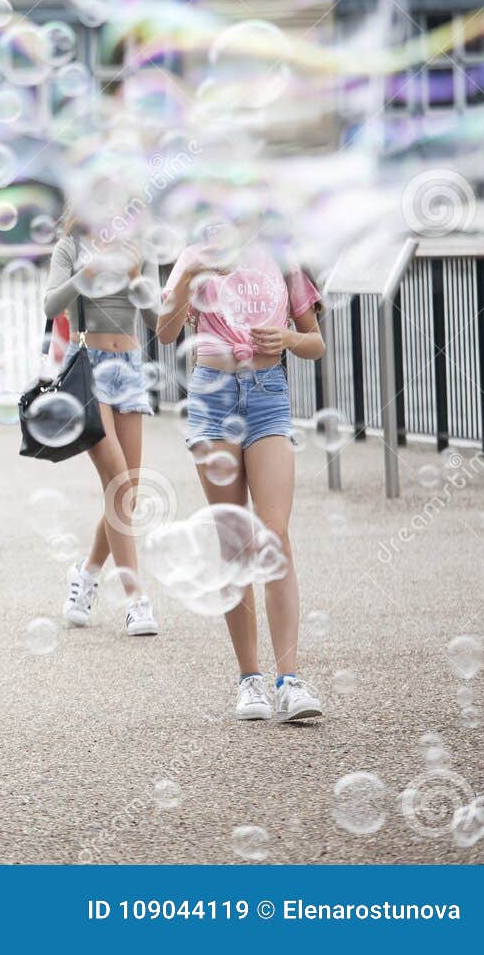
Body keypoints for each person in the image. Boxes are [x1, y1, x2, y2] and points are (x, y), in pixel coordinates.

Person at [157, 227, 326, 722]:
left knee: (274, 537)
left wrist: (290, 337)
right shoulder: (195, 255)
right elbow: (165, 333)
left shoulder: (281, 255)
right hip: (213, 397)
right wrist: (190, 271)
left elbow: (314, 342)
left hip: (269, 394)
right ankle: (249, 679)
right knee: (235, 541)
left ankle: (289, 679)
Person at [43, 218, 161, 637]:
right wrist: (85, 275)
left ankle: (87, 572)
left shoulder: (140, 245)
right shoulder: (71, 246)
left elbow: (156, 322)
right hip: (88, 368)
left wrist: (134, 277)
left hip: (129, 367)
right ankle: (136, 599)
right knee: (117, 481)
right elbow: (50, 306)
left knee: (127, 488)